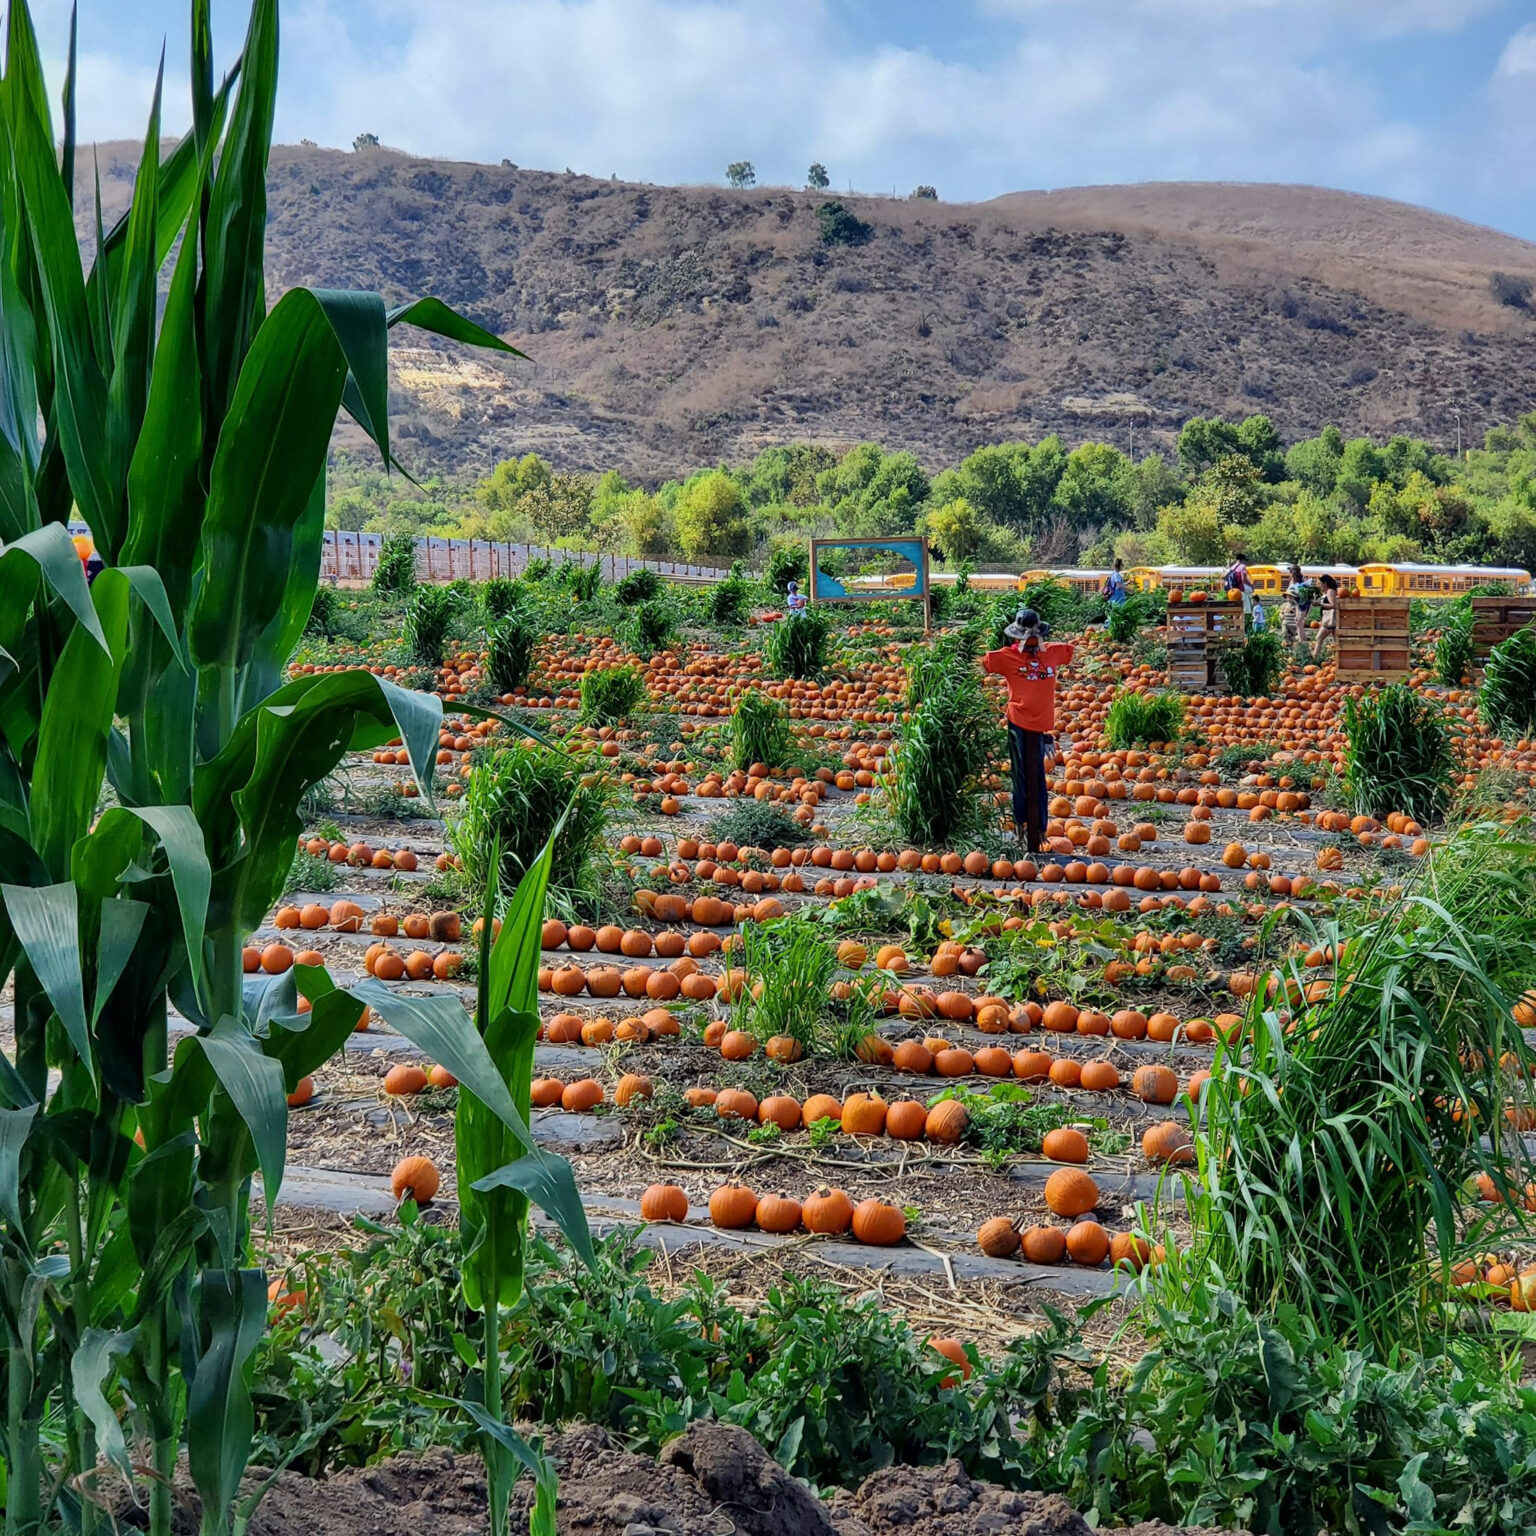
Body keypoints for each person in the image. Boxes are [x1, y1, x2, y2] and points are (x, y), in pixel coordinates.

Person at [982, 607, 1074, 856]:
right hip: (1018, 723)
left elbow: (1071, 651)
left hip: (1041, 726)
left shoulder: (1053, 652)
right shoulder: (1007, 656)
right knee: (1021, 776)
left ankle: (1037, 827)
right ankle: (1024, 823)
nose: (1030, 642)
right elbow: (982, 663)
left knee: (1036, 779)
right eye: (1026, 638)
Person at [1281, 563, 1314, 647]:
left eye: (1290, 571)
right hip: (1296, 602)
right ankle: (1302, 638)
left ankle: (1302, 641)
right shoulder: (1292, 581)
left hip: (1302, 603)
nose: (1289, 573)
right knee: (1297, 621)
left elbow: (1304, 594)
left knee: (1299, 622)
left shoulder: (1301, 581)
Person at [1311, 574, 1340, 660]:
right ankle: (1337, 659)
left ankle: (1314, 658)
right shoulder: (1331, 591)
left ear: (1325, 583)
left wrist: (1319, 604)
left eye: (1320, 584)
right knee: (1336, 642)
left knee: (1319, 638)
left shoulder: (1330, 591)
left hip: (1329, 621)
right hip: (1331, 620)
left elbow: (1333, 605)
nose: (1320, 586)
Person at [1224, 551, 1253, 620]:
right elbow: (1243, 579)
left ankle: (1235, 625)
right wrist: (1251, 585)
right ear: (1242, 560)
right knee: (1243, 610)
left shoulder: (1231, 568)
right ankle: (1240, 627)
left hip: (1232, 592)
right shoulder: (1242, 567)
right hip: (1240, 591)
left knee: (1236, 610)